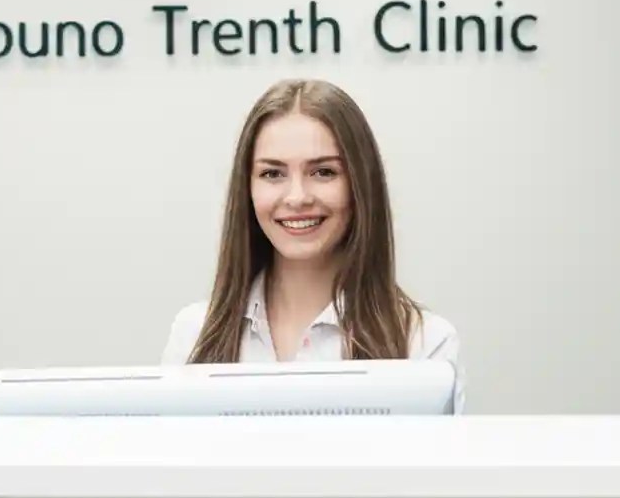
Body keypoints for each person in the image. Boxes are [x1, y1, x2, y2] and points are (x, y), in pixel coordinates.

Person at [161, 78, 465, 412]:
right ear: (247, 189)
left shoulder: (425, 345)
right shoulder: (194, 334)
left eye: (323, 172)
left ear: (360, 184)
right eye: (273, 174)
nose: (297, 197)